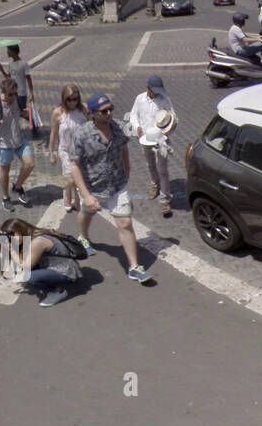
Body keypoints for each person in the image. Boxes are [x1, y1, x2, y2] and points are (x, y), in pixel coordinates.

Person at [65, 93, 152, 284]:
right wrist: (86, 195)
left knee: (125, 223)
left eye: (111, 109)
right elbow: (74, 165)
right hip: (92, 185)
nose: (109, 113)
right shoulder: (81, 134)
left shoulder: (119, 128)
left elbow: (124, 150)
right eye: (104, 111)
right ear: (93, 114)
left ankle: (134, 267)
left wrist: (126, 172)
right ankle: (84, 236)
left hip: (117, 184)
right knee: (87, 213)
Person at [0, 215, 91, 308]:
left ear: (21, 230)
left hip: (65, 271)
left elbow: (26, 266)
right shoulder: (32, 234)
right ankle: (48, 278)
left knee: (29, 277)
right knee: (23, 268)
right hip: (55, 264)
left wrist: (11, 250)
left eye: (13, 235)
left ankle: (58, 292)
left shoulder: (38, 241)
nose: (11, 239)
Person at [0, 74, 36, 208]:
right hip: (3, 142)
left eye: (15, 94)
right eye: (10, 94)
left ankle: (17, 187)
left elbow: (19, 113)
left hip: (19, 138)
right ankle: (6, 197)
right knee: (5, 169)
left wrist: (28, 115)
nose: (13, 97)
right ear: (3, 92)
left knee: (30, 164)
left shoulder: (16, 99)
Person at [126, 76, 178, 220]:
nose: (156, 94)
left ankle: (165, 199)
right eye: (154, 91)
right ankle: (155, 185)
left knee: (163, 170)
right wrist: (138, 128)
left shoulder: (164, 100)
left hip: (161, 140)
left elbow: (173, 116)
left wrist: (168, 128)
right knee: (150, 165)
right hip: (145, 139)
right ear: (148, 88)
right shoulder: (140, 99)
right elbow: (133, 115)